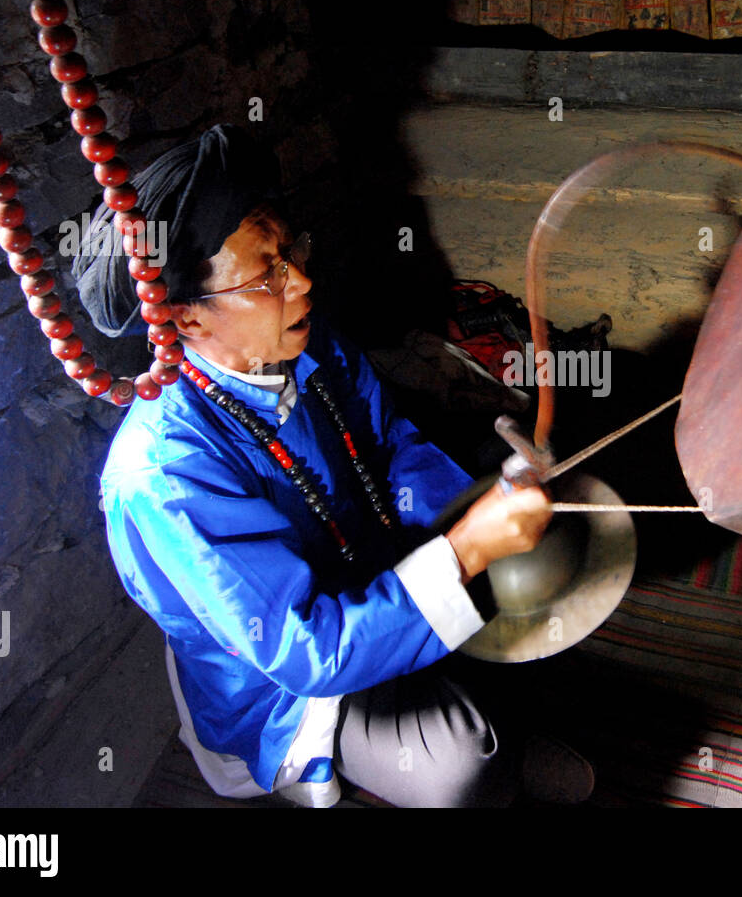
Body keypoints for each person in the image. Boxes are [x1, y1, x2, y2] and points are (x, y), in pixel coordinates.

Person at [74, 125, 590, 807]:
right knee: (458, 761)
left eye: (294, 249)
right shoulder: (165, 472)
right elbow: (308, 652)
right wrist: (466, 550)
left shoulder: (315, 354)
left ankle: (501, 725)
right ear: (188, 321)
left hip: (371, 567)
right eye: (268, 275)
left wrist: (477, 503)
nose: (304, 280)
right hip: (290, 684)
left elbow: (392, 447)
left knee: (543, 541)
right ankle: (479, 753)